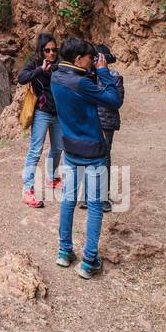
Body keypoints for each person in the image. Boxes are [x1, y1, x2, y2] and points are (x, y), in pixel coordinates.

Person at [50, 37, 123, 280]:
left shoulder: (56, 76)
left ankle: (64, 251)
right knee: (94, 206)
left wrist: (91, 72)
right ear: (79, 59)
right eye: (90, 58)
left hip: (70, 149)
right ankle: (89, 261)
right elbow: (114, 101)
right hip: (93, 150)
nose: (93, 61)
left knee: (68, 201)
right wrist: (104, 73)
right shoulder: (82, 83)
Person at [16, 33, 62, 207]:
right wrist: (40, 71)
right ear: (41, 51)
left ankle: (52, 178)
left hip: (58, 113)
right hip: (42, 112)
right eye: (47, 50)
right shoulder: (35, 64)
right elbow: (21, 78)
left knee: (58, 147)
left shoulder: (59, 63)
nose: (51, 53)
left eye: (54, 50)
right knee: (35, 150)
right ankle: (27, 190)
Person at [80, 43, 123, 213]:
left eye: (98, 59)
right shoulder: (86, 75)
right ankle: (87, 196)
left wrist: (103, 74)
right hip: (90, 121)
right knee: (88, 157)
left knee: (103, 159)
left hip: (105, 123)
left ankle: (102, 196)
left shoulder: (114, 77)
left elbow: (116, 101)